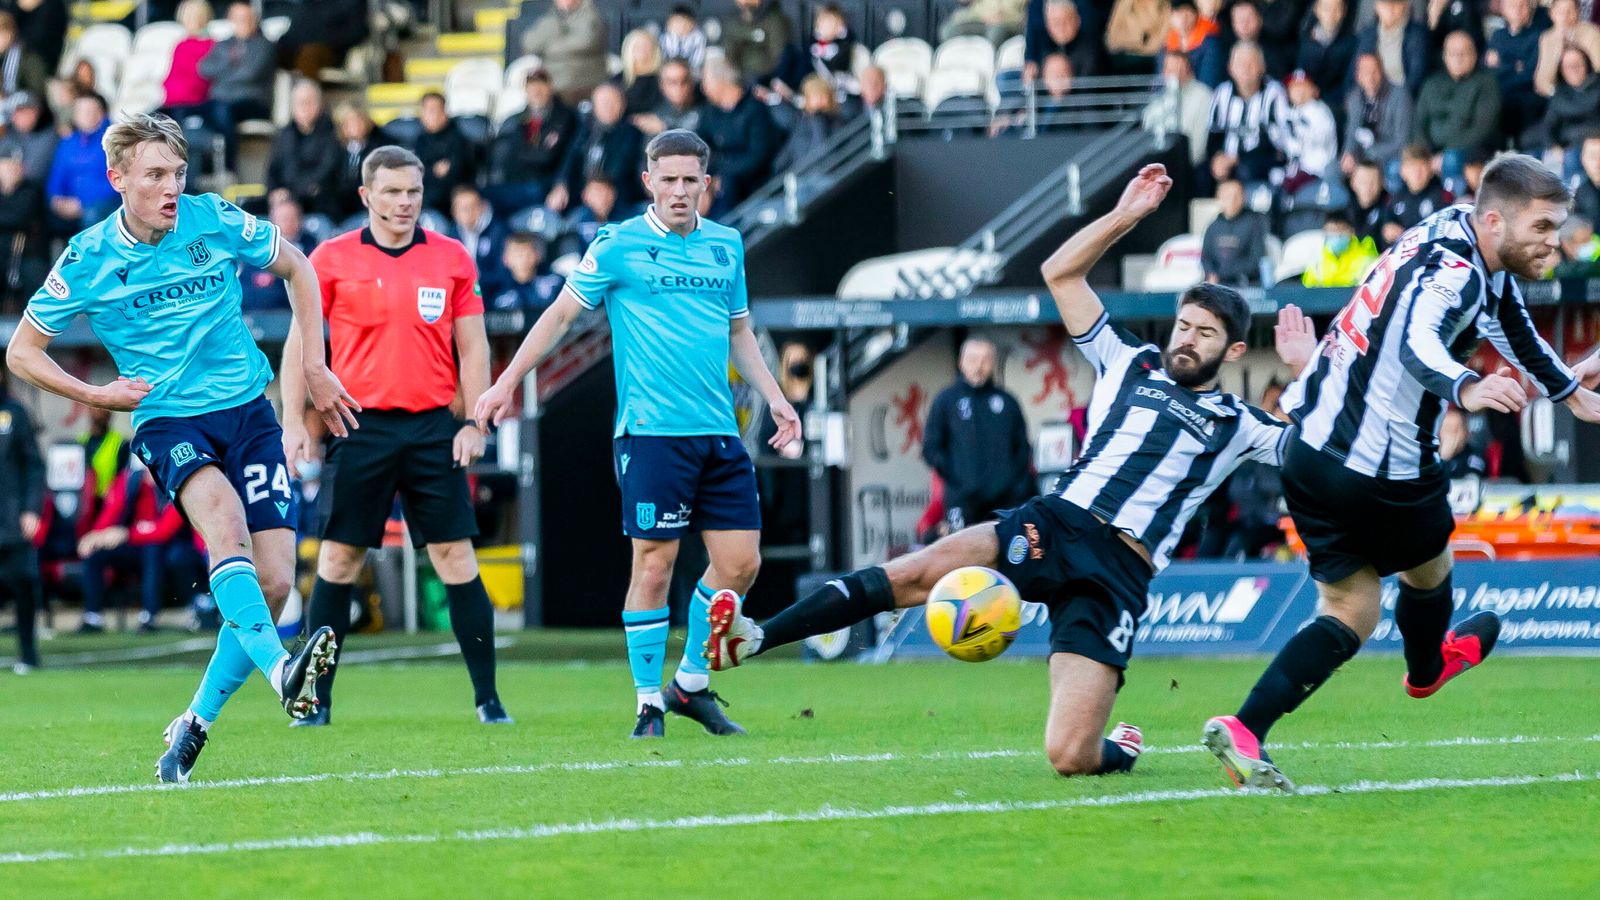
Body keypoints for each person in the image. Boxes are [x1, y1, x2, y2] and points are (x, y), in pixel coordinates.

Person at [704, 163, 1305, 779]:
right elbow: (1059, 273)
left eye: (1204, 334)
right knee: (915, 572)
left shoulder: (1241, 422)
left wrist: (1307, 370)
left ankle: (1118, 750)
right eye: (1183, 325)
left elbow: (1318, 449)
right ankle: (753, 637)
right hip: (1057, 521)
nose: (1187, 340)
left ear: (1233, 350)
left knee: (1069, 755)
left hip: (1119, 571)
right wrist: (1125, 217)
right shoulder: (1130, 360)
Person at [1201, 154, 1600, 791]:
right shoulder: (1459, 275)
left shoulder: (1451, 229)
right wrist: (1466, 386)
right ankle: (1424, 670)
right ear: (1495, 221)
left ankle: (1247, 727)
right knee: (1432, 564)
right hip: (1379, 467)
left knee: (1350, 608)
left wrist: (1565, 388)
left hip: (1306, 450)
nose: (1556, 242)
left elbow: (1507, 317)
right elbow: (1419, 343)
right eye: (1545, 227)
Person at [6, 113, 353, 782]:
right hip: (167, 419)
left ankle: (192, 726)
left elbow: (299, 268)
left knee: (277, 580)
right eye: (156, 175)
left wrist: (312, 367)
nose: (172, 187)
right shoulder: (87, 256)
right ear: (118, 180)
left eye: (178, 173)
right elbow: (22, 351)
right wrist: (100, 394)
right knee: (225, 528)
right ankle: (285, 672)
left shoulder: (213, 220)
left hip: (249, 410)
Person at [475, 129, 802, 739]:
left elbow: (740, 335)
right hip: (651, 434)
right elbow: (561, 315)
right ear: (647, 181)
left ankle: (692, 686)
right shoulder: (618, 244)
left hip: (719, 433)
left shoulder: (726, 246)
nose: (680, 190)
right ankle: (648, 701)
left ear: (707, 184)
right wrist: (506, 382)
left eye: (690, 180)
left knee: (742, 563)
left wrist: (778, 399)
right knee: (654, 566)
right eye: (668, 179)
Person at [282, 145, 507, 728]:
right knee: (338, 557)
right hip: (357, 425)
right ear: (366, 196)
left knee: (455, 556)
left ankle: (488, 699)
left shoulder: (453, 258)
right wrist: (291, 421)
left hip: (435, 426)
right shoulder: (328, 260)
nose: (404, 202)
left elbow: (474, 346)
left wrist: (474, 423)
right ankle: (315, 701)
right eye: (392, 192)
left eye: (413, 192)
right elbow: (298, 347)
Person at [77, 456, 203, 632]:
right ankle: (93, 617)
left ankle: (150, 616)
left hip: (170, 547)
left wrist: (127, 534)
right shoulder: (129, 481)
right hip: (137, 544)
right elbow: (112, 511)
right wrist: (96, 536)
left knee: (154, 550)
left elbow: (165, 530)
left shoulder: (176, 483)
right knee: (95, 554)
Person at [922, 337, 1033, 530]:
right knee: (961, 555)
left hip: (1004, 501)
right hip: (962, 499)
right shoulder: (946, 400)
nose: (979, 366)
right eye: (973, 359)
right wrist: (957, 477)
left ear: (993, 363)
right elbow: (931, 448)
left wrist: (1009, 481)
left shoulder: (1007, 402)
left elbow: (1022, 448)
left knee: (1004, 554)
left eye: (985, 360)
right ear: (961, 362)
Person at [1411, 31, 1502, 183]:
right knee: (1401, 166)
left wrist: (1444, 154)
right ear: (1444, 57)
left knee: (1451, 160)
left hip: (1473, 152)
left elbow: (1482, 130)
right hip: (1433, 153)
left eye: (1464, 53)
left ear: (1474, 55)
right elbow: (1419, 123)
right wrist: (1427, 155)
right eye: (1453, 53)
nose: (1458, 59)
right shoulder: (1432, 83)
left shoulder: (1487, 84)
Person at [197, 0, 277, 169]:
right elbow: (204, 68)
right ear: (231, 20)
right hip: (219, 101)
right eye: (239, 18)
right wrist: (231, 62)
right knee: (185, 114)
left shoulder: (264, 45)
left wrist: (222, 76)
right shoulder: (224, 44)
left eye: (247, 18)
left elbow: (249, 74)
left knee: (222, 111)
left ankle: (228, 168)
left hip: (252, 103)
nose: (244, 23)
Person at [0, 362, 43, 672]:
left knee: (23, 584)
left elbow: (33, 465)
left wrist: (32, 509)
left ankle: (28, 654)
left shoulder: (14, 413)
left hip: (13, 517)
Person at [488, 69, 578, 213]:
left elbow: (552, 157)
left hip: (547, 183)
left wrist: (528, 155)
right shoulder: (516, 120)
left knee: (535, 191)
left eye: (540, 85)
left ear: (550, 87)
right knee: (483, 196)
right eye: (531, 86)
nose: (536, 91)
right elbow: (511, 158)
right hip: (519, 183)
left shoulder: (565, 117)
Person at [548, 82, 645, 214]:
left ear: (622, 106)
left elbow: (621, 166)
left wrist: (597, 188)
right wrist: (561, 184)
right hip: (584, 194)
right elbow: (572, 158)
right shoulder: (586, 131)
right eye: (603, 102)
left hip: (618, 195)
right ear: (594, 107)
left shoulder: (631, 132)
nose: (608, 107)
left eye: (613, 102)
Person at [1204, 42, 1286, 194]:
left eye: (1252, 63)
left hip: (1262, 159)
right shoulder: (1222, 93)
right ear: (1230, 68)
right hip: (1228, 160)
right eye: (1240, 63)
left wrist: (1236, 159)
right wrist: (1217, 158)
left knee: (1246, 170)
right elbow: (1213, 135)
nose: (1246, 68)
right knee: (1202, 173)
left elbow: (1277, 145)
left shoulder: (1274, 93)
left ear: (1262, 67)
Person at [697, 58, 777, 211]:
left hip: (750, 188)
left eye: (705, 82)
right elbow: (698, 145)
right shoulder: (710, 112)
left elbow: (758, 157)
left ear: (719, 82)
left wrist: (722, 174)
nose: (703, 88)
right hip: (715, 184)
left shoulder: (755, 110)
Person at [267, 80, 341, 218]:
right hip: (286, 204)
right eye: (299, 102)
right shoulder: (284, 134)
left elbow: (326, 171)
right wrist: (274, 191)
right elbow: (272, 171)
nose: (304, 107)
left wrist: (292, 194)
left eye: (308, 102)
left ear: (319, 105)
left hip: (318, 204)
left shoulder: (332, 133)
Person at [46, 92, 116, 235]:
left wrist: (82, 203)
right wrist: (56, 199)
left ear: (102, 113)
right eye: (81, 111)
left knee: (92, 216)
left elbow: (120, 181)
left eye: (90, 110)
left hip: (102, 204)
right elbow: (57, 175)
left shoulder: (115, 141)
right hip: (69, 203)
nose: (85, 115)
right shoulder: (68, 142)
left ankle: (89, 257)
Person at [1341, 52, 1412, 188]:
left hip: (1391, 156)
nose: (1370, 77)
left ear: (1382, 72)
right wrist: (1348, 153)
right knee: (1332, 170)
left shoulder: (1400, 95)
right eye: (1365, 72)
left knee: (1394, 170)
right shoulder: (1354, 97)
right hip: (1363, 156)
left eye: (1374, 71)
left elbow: (1403, 140)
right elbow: (1351, 131)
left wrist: (1372, 153)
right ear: (1358, 76)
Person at [521, 0, 608, 106]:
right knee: (534, 91)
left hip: (581, 84)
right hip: (551, 83)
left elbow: (584, 43)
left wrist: (547, 48)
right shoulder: (550, 19)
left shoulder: (591, 16)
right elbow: (528, 43)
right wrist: (554, 32)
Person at [1485, 0, 1547, 144]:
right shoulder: (1497, 35)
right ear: (1503, 10)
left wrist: (1502, 65)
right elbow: (1488, 71)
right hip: (1498, 94)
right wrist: (1514, 66)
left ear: (1530, 9)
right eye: (1513, 6)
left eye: (1523, 6)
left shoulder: (1539, 36)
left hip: (1526, 97)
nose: (1518, 10)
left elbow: (1529, 75)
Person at [1280, 70, 1344, 207]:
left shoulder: (1320, 110)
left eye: (1303, 87)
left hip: (1318, 167)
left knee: (1290, 189)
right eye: (1294, 88)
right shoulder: (1291, 112)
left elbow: (1322, 138)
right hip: (1297, 166)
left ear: (1314, 90)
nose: (1299, 92)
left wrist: (1301, 131)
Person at [241, 195, 317, 310]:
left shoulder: (312, 250)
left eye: (293, 218)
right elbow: (244, 290)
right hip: (260, 318)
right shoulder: (258, 251)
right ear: (273, 221)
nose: (289, 223)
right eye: (284, 218)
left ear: (300, 220)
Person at [1539, 48, 1600, 179]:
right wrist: (1555, 148)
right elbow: (1548, 126)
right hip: (1571, 146)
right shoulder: (1559, 94)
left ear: (1587, 64)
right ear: (1561, 70)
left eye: (1578, 64)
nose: (1574, 70)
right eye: (1568, 67)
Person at [412, 92, 475, 214]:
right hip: (425, 196)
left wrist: (429, 172)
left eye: (436, 110)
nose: (433, 115)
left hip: (447, 200)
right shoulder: (419, 140)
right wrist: (433, 171)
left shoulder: (458, 138)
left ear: (445, 112)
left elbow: (455, 172)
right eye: (427, 110)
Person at [0, 148, 47, 311]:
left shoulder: (32, 189)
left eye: (16, 165)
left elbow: (20, 218)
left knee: (33, 273)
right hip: (3, 252)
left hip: (27, 252)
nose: (12, 169)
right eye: (7, 165)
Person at [1353, 0, 1427, 97]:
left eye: (1395, 4)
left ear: (1405, 6)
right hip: (1369, 97)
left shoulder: (1417, 35)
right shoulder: (1368, 33)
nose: (1390, 9)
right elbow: (1355, 70)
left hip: (1401, 98)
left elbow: (1416, 77)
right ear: (1377, 7)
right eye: (1385, 5)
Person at [1202, 178, 1269, 285]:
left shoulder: (1255, 224)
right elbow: (1205, 258)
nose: (1232, 200)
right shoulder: (1212, 227)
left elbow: (1255, 260)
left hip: (1245, 283)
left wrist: (1223, 273)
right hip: (1216, 284)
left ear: (1244, 197)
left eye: (1236, 195)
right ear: (1219, 198)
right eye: (1227, 196)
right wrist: (1211, 273)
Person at [1381, 144, 1451, 245]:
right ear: (1402, 171)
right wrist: (1389, 231)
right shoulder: (1396, 198)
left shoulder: (1442, 196)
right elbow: (1387, 226)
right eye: (1412, 166)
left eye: (1422, 166)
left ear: (1430, 169)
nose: (1417, 173)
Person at [331, 101, 389, 220]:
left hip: (366, 208)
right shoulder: (335, 151)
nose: (356, 126)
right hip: (341, 211)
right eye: (350, 123)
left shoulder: (376, 149)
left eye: (359, 121)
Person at [161, 0, 214, 121]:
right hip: (171, 102)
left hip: (194, 103)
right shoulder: (180, 45)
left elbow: (206, 79)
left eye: (195, 17)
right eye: (187, 17)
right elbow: (170, 76)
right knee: (144, 123)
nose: (190, 21)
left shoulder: (212, 45)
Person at [1297, 0, 1356, 110]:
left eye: (1337, 9)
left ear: (1344, 12)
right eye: (1326, 8)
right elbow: (1300, 70)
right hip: (1305, 99)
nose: (1331, 14)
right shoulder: (1306, 37)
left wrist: (1318, 96)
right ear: (1316, 10)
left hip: (1332, 104)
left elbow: (1348, 84)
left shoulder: (1350, 43)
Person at [1025, 0, 1104, 80]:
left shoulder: (1091, 50)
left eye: (1065, 21)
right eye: (1055, 23)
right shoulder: (1036, 6)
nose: (1061, 28)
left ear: (1077, 20)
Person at [1535, 0, 1600, 98]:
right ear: (1551, 13)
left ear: (1578, 12)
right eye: (1560, 12)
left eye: (1570, 10)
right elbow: (1541, 78)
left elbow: (1597, 69)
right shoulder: (1547, 38)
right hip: (1558, 96)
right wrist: (1558, 48)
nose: (1565, 16)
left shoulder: (1592, 33)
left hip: (1589, 93)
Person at [722, 0, 795, 86]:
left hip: (768, 81)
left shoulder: (775, 20)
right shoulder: (734, 23)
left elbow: (780, 60)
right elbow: (729, 58)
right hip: (741, 81)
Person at [451, 185, 509, 295]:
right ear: (455, 212)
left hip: (492, 293)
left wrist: (475, 283)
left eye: (473, 206)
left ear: (483, 207)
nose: (469, 213)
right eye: (463, 208)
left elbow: (502, 274)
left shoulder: (498, 231)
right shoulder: (451, 234)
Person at [489, 231, 563, 313]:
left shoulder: (555, 284)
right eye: (517, 254)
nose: (523, 259)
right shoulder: (496, 293)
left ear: (539, 255)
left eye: (527, 253)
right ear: (505, 258)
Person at [1301, 210, 1379, 286]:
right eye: (1332, 230)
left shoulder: (1366, 256)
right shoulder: (1317, 258)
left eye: (1341, 229)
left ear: (1352, 232)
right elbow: (1309, 291)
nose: (1337, 235)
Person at [632, 58, 701, 136]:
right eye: (672, 82)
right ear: (662, 85)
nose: (679, 87)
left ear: (692, 83)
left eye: (684, 81)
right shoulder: (657, 115)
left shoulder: (706, 112)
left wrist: (665, 129)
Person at [0, 92, 57, 183]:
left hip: (38, 191)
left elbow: (34, 172)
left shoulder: (50, 136)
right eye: (17, 112)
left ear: (38, 112)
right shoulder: (8, 136)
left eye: (26, 111)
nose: (21, 116)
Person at [1166, 0, 1223, 87]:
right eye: (1177, 13)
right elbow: (1161, 80)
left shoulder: (1209, 42)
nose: (1183, 19)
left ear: (1196, 14)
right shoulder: (1166, 45)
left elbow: (1208, 82)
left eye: (1186, 12)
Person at [0, 11, 47, 103]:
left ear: (10, 34)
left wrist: (7, 98)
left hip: (18, 111)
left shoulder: (30, 59)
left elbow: (37, 94)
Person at [617, 28, 663, 114]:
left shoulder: (663, 79)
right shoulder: (618, 79)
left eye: (646, 46)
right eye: (638, 46)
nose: (642, 50)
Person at [942, 0, 1028, 45]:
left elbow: (1031, 13)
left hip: (1006, 24)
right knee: (948, 31)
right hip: (979, 20)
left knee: (996, 34)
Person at [1346, 158, 1388, 247]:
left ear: (1382, 183)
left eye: (1373, 182)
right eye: (1363, 182)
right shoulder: (1342, 210)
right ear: (1353, 183)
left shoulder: (1390, 210)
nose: (1368, 187)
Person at [659, 5, 706, 72]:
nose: (680, 26)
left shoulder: (699, 39)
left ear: (692, 24)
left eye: (684, 22)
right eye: (677, 22)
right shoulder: (662, 40)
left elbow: (697, 62)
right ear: (668, 24)